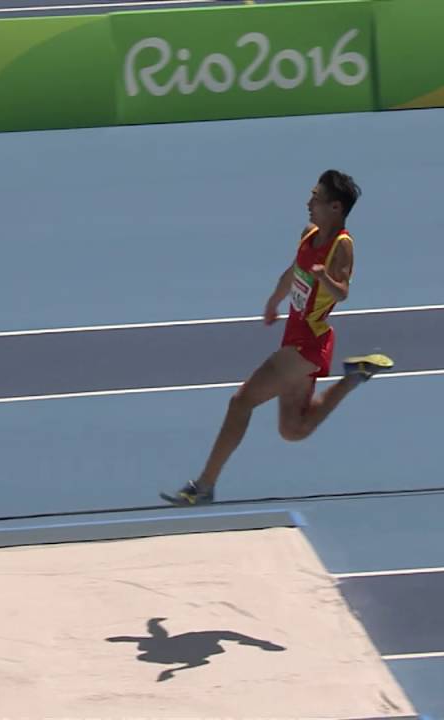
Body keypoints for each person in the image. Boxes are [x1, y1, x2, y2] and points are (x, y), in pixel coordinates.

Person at [164, 170, 394, 505]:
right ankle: (354, 377)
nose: (308, 202)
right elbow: (293, 271)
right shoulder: (308, 234)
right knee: (294, 430)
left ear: (335, 207)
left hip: (308, 345)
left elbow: (342, 292)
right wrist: (275, 299)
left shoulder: (341, 245)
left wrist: (324, 277)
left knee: (240, 402)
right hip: (294, 335)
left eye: (315, 197)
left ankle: (204, 485)